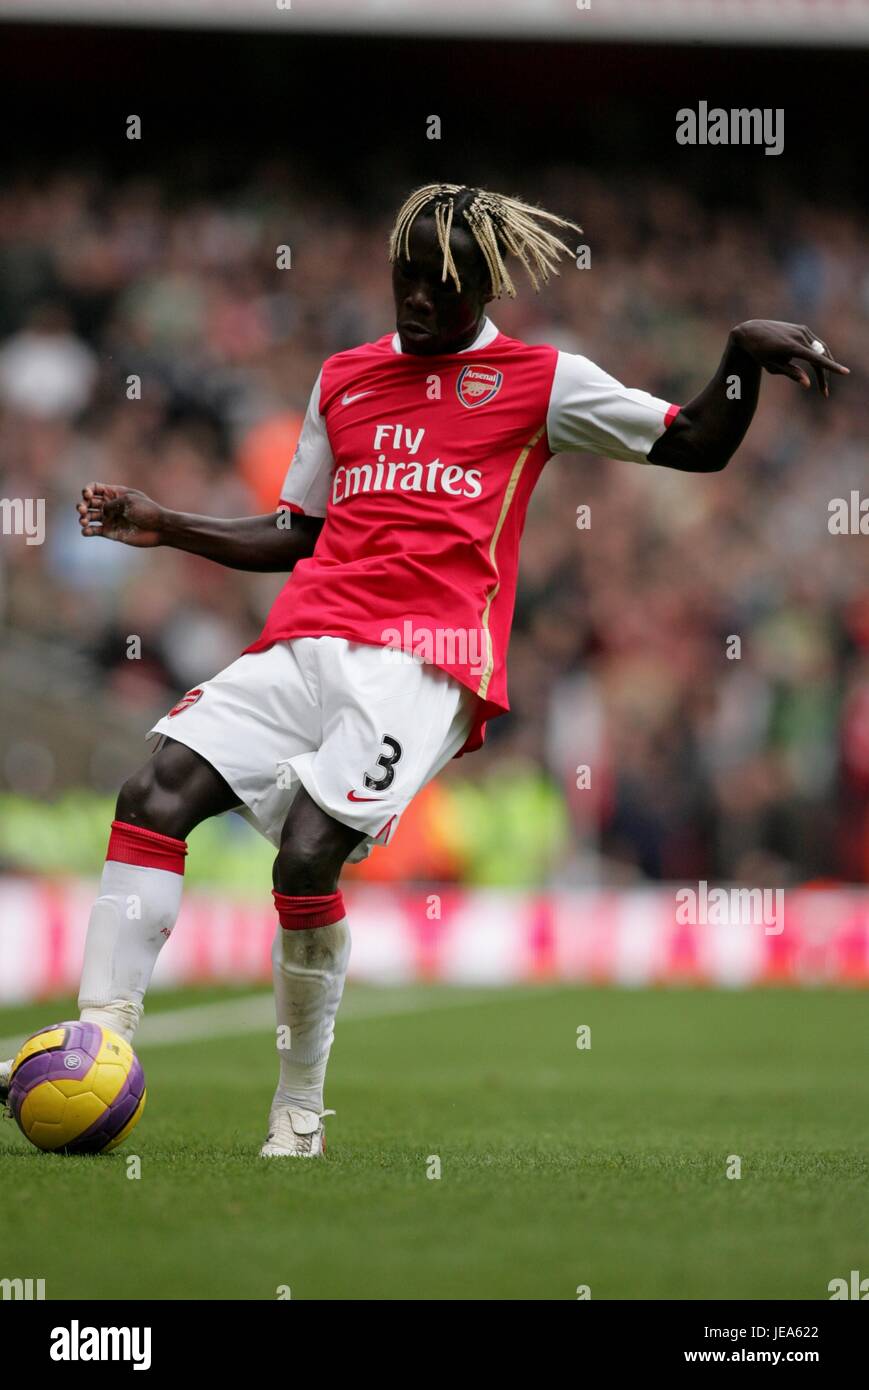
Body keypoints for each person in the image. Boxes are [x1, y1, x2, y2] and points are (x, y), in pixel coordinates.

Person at [0, 183, 848, 1157]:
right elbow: (297, 532)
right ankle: (99, 1039)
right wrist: (169, 524)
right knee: (152, 792)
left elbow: (694, 443)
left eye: (440, 286)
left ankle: (299, 1107)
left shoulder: (540, 379)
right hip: (309, 633)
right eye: (404, 278)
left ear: (485, 288)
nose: (415, 299)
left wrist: (737, 357)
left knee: (306, 853)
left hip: (426, 658)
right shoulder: (343, 377)